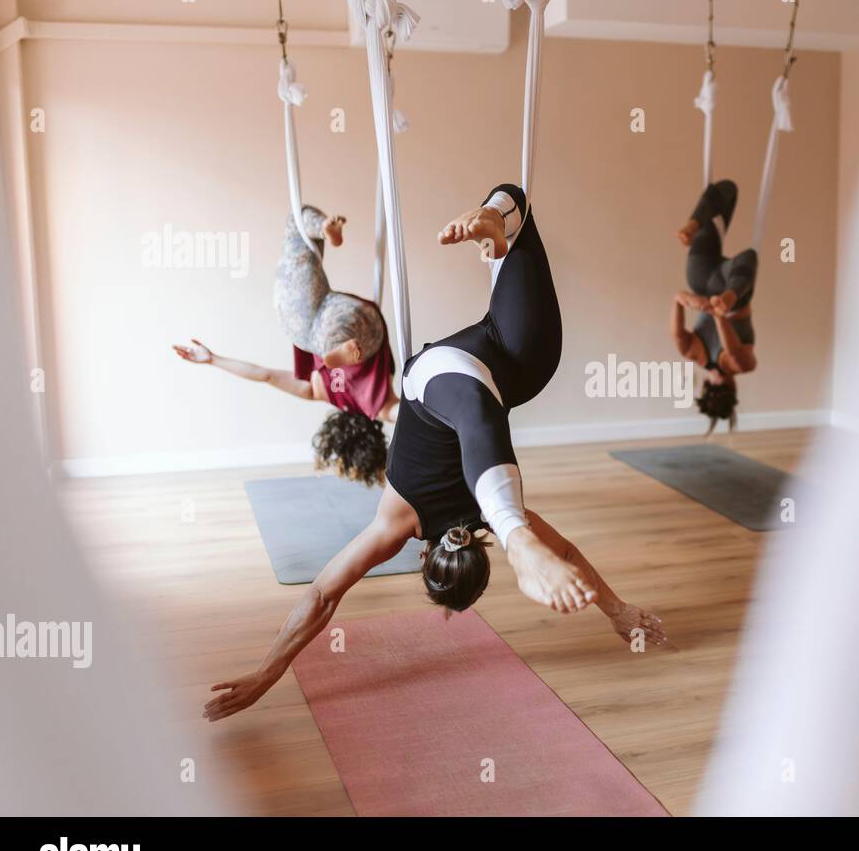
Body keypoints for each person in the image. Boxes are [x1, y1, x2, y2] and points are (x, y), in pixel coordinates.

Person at [203, 184, 667, 722]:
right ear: (425, 556)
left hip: (498, 374)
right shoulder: (395, 523)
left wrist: (617, 610)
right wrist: (267, 673)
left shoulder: (464, 521)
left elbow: (565, 555)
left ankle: (516, 537)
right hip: (471, 373)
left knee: (480, 420)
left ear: (479, 551)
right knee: (513, 212)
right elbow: (322, 597)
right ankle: (495, 229)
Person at [173, 206, 399, 484]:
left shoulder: (381, 408)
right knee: (296, 221)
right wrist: (212, 359)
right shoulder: (319, 392)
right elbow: (264, 375)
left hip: (350, 324)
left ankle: (337, 351)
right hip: (302, 323)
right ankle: (334, 352)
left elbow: (417, 416)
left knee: (299, 221)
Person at [671, 180, 758, 432]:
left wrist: (719, 310)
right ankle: (694, 227)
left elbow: (734, 355)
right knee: (727, 191)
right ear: (705, 387)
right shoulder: (692, 354)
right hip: (702, 276)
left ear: (733, 388)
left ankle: (729, 296)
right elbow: (677, 324)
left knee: (749, 258)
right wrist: (682, 299)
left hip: (731, 289)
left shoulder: (743, 367)